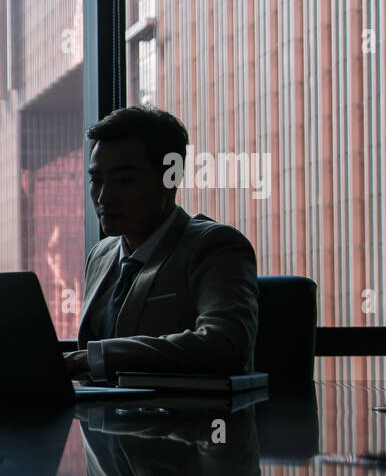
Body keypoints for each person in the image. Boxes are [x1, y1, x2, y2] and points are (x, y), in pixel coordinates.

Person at [66, 106, 260, 381]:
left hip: (188, 421)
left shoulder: (215, 247)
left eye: (124, 180)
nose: (103, 197)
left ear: (171, 178)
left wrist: (96, 358)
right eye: (96, 180)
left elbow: (225, 345)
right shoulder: (101, 255)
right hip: (100, 419)